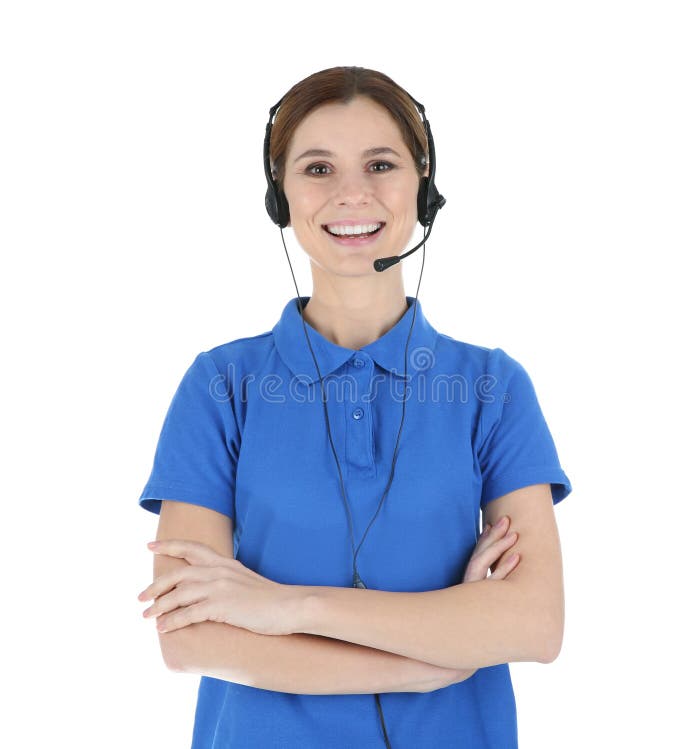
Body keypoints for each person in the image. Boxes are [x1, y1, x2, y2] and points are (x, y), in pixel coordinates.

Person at [136, 65, 572, 748]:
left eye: (380, 164)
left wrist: (286, 606)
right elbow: (190, 636)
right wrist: (432, 658)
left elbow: (535, 624)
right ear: (279, 194)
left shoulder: (492, 387)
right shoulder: (221, 386)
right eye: (318, 168)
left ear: (423, 184)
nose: (351, 193)